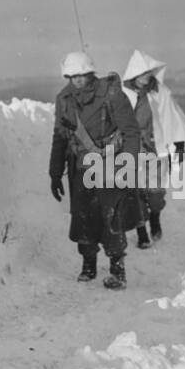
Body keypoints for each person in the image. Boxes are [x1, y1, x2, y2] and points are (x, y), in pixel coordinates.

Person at [49, 52, 142, 289]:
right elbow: (60, 137)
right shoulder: (64, 98)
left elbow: (131, 132)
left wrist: (129, 163)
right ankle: (88, 263)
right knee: (83, 217)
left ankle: (117, 268)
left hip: (110, 164)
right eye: (72, 76)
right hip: (80, 166)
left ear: (90, 73)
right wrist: (54, 171)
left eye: (81, 75)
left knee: (111, 216)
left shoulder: (111, 93)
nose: (77, 80)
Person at [120, 50, 185, 247]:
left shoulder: (160, 93)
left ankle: (155, 216)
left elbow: (174, 119)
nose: (146, 77)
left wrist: (180, 145)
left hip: (156, 149)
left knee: (155, 193)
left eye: (148, 73)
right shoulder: (123, 95)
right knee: (136, 192)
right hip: (131, 151)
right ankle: (142, 232)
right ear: (134, 74)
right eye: (142, 73)